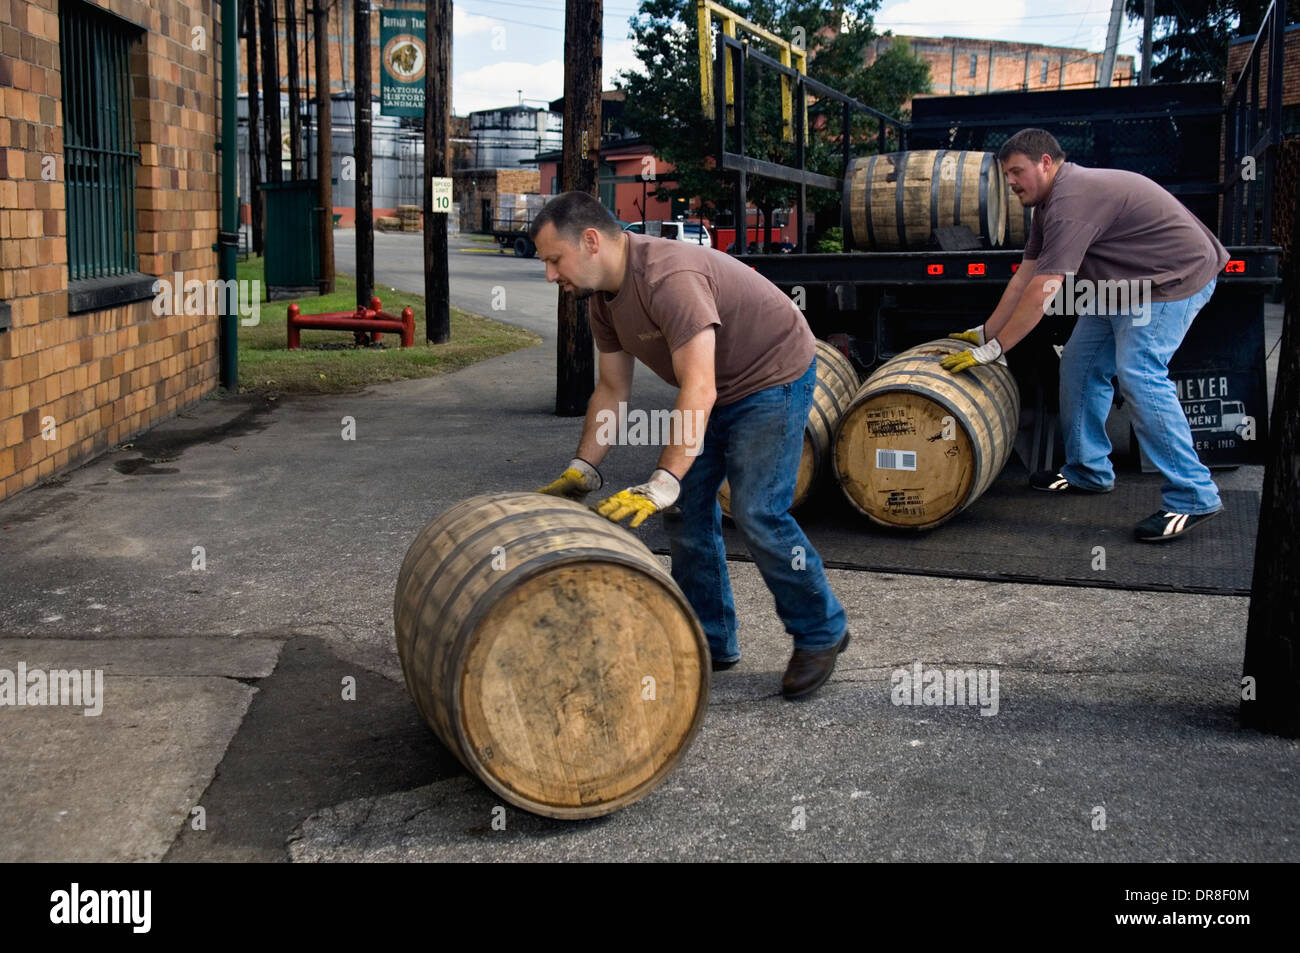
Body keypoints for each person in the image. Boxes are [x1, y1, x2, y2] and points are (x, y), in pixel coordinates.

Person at [530, 192, 849, 698]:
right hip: (713, 386)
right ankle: (711, 638)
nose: (551, 275)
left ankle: (821, 631)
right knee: (684, 511)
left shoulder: (667, 278)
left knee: (757, 510)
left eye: (553, 260)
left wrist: (662, 480)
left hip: (772, 373)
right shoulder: (603, 301)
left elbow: (700, 388)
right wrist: (583, 469)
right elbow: (613, 389)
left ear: (591, 241)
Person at [942, 128, 1228, 542]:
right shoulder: (1048, 205)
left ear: (1045, 163)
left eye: (1017, 172)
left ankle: (1193, 495)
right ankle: (1088, 470)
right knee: (1078, 364)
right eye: (1006, 176)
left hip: (1173, 280)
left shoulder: (1070, 202)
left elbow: (1046, 289)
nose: (1011, 183)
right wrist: (985, 332)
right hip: (1123, 288)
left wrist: (995, 350)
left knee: (1139, 375)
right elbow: (1026, 275)